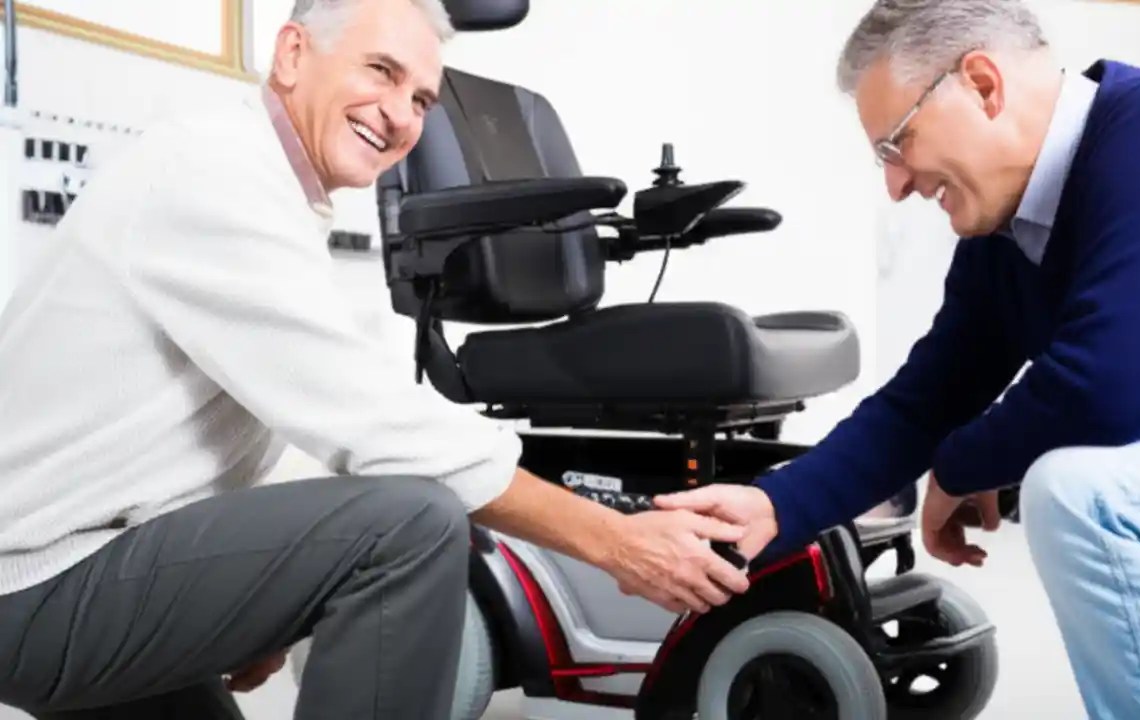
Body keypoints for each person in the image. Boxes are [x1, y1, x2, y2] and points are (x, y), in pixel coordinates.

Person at [0, 0, 751, 717]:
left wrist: (265, 591)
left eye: (421, 99)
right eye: (380, 71)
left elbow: (267, 428)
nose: (400, 114)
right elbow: (368, 422)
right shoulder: (212, 172)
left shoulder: (264, 185)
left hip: (89, 557)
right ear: (293, 54)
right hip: (36, 579)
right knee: (412, 523)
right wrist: (613, 541)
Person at [657, 0, 1140, 717]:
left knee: (1084, 496)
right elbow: (928, 399)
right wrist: (776, 504)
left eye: (897, 144)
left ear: (983, 85)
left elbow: (1108, 387)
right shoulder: (1011, 236)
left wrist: (962, 466)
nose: (895, 186)